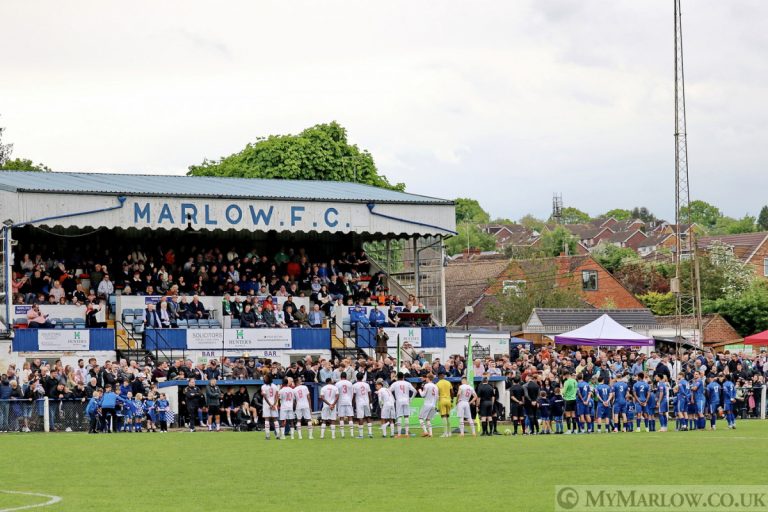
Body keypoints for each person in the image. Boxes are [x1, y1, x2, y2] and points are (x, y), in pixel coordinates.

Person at [390, 372, 416, 438]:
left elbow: (389, 391)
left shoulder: (395, 383)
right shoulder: (407, 383)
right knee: (406, 416)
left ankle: (399, 434)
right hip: (406, 400)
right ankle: (407, 434)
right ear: (403, 377)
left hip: (399, 401)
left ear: (397, 377)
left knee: (399, 416)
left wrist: (393, 398)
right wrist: (411, 399)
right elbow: (415, 391)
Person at [352, 372, 373, 439]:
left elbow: (354, 395)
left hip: (359, 402)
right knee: (368, 417)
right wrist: (370, 402)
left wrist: (353, 403)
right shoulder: (366, 384)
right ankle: (370, 433)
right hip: (366, 401)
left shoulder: (354, 385)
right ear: (362, 377)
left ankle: (361, 435)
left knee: (360, 418)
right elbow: (369, 393)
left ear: (356, 377)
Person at [335, 372, 355, 438]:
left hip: (341, 401)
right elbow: (352, 393)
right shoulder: (350, 383)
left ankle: (342, 434)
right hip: (348, 401)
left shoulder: (337, 383)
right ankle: (352, 434)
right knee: (350, 417)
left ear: (341, 377)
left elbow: (336, 393)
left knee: (341, 417)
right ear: (346, 377)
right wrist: (351, 400)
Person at [261, 374, 280, 439]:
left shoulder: (263, 387)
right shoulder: (275, 386)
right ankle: (278, 435)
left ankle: (267, 435)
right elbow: (276, 396)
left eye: (265, 378)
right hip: (274, 403)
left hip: (267, 404)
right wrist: (274, 404)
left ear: (268, 378)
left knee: (267, 418)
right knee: (275, 419)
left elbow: (265, 396)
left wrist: (270, 405)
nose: (264, 379)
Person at [436, 371, 453, 437]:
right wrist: (451, 399)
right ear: (443, 376)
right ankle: (450, 432)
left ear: (439, 376)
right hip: (448, 400)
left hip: (442, 400)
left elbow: (437, 394)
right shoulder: (448, 382)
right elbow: (452, 392)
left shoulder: (437, 384)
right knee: (448, 416)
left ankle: (445, 433)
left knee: (443, 416)